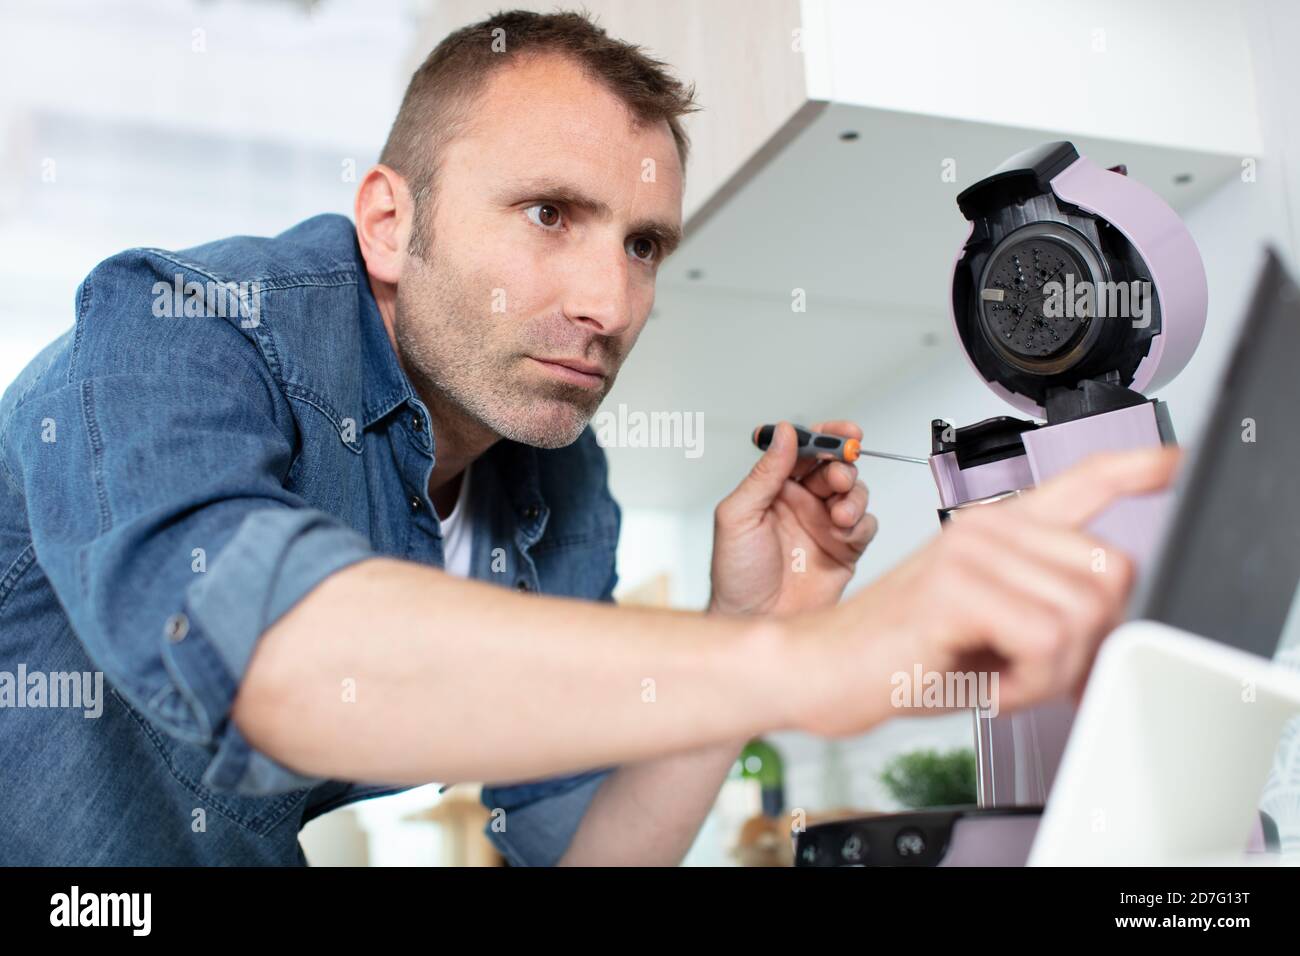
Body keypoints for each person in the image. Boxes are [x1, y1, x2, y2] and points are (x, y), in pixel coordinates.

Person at [0, 8, 1178, 865]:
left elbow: (583, 853)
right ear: (388, 222)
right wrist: (819, 662)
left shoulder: (559, 480)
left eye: (642, 244)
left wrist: (746, 632)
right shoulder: (175, 330)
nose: (609, 305)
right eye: (548, 212)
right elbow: (271, 660)